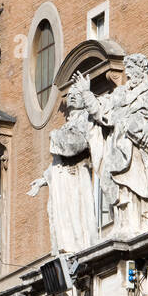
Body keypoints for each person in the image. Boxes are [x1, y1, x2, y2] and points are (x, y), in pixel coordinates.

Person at [82, 54, 148, 238]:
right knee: (121, 186)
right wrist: (86, 94)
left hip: (139, 149)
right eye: (127, 71)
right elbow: (101, 109)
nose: (129, 75)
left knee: (141, 184)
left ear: (142, 70)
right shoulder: (121, 93)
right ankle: (124, 222)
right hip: (120, 145)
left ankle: (142, 220)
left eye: (132, 70)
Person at [28, 75, 99, 254]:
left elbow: (76, 146)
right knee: (63, 217)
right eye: (70, 94)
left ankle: (80, 248)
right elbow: (57, 160)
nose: (73, 96)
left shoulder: (86, 119)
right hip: (61, 180)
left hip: (76, 176)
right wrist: (43, 179)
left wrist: (55, 137)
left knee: (77, 216)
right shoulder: (67, 126)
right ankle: (68, 248)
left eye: (77, 93)